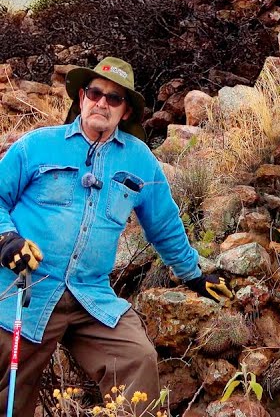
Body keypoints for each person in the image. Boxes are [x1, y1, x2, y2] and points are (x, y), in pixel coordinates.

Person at [0, 57, 233, 417]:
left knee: (137, 359)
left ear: (126, 111)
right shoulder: (37, 145)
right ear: (82, 97)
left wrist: (194, 275)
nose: (102, 103)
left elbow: (164, 224)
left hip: (90, 296)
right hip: (27, 290)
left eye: (114, 98)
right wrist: (7, 239)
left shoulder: (140, 160)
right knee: (10, 392)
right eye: (95, 93)